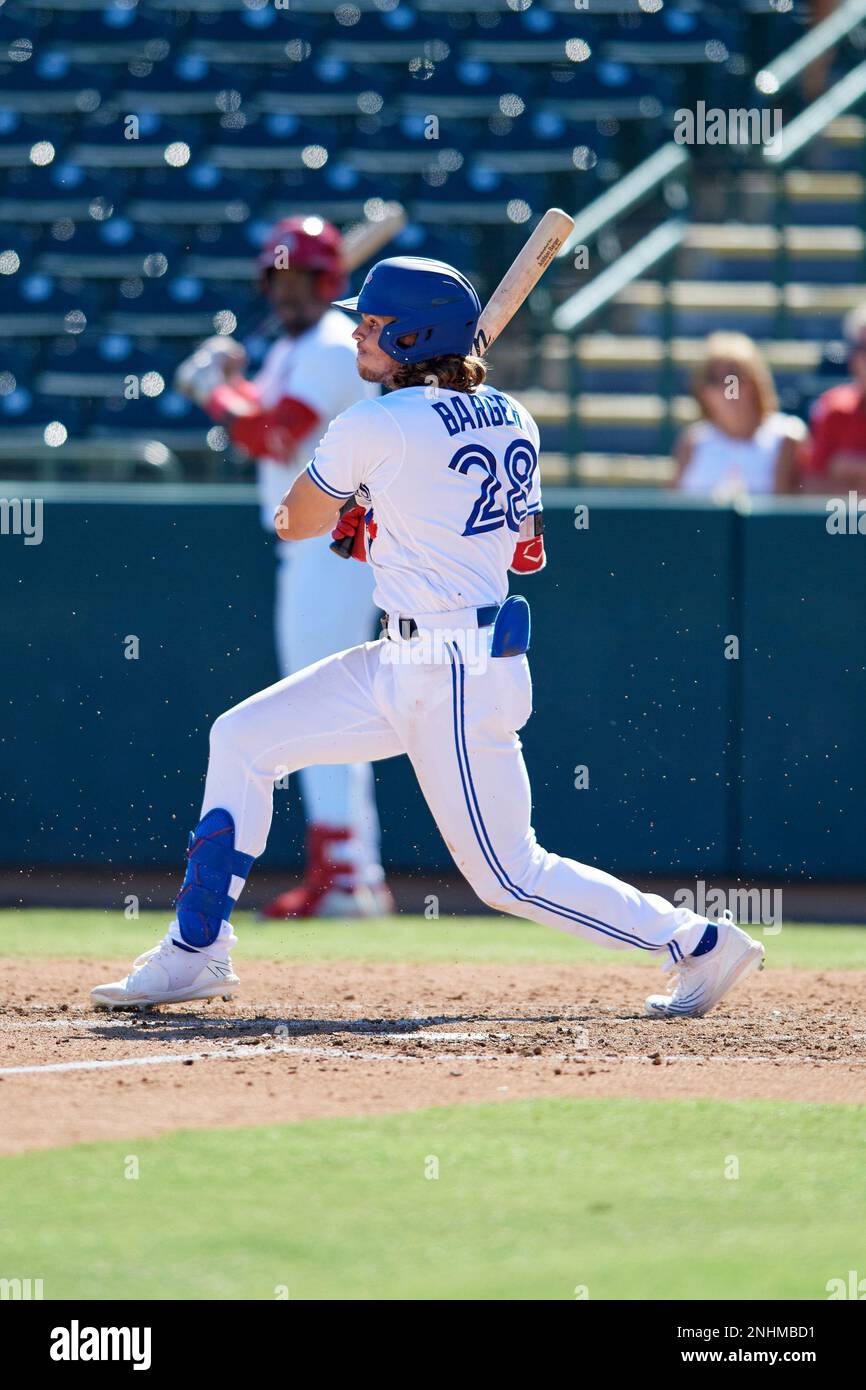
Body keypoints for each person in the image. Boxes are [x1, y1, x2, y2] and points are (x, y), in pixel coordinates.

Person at [93, 257, 765, 1019]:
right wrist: (382, 518)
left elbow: (293, 521)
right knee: (242, 738)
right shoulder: (516, 416)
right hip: (414, 657)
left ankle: (699, 943)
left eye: (375, 324)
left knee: (508, 875)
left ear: (416, 333)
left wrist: (357, 511)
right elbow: (526, 551)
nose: (358, 334)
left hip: (450, 668)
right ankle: (195, 951)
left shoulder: (372, 425)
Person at [174, 215, 392, 918]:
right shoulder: (300, 348)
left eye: (303, 279)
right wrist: (233, 379)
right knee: (331, 706)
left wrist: (210, 389)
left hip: (332, 544)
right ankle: (350, 867)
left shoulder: (331, 344)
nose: (289, 292)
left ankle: (348, 872)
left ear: (328, 282)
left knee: (322, 705)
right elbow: (262, 416)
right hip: (317, 544)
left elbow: (271, 432)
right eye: (280, 279)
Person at [673, 332, 806, 497]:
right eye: (713, 379)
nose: (727, 389)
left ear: (755, 382)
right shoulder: (692, 442)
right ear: (702, 391)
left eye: (733, 377)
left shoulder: (786, 437)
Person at [804, 303, 866, 493]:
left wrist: (853, 469)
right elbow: (812, 488)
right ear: (853, 357)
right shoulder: (833, 408)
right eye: (864, 347)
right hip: (845, 523)